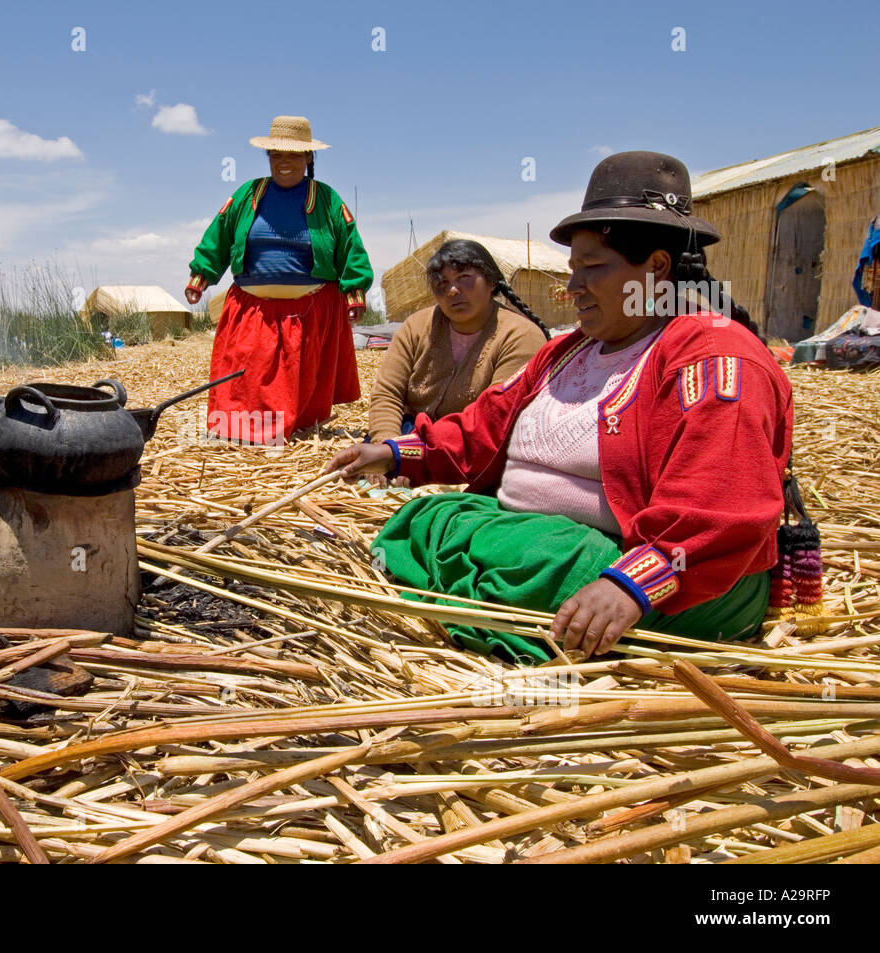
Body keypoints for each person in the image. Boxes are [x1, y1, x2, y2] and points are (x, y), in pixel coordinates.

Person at [325, 151, 796, 662]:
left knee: (546, 561)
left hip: (673, 575)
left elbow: (722, 503)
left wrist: (633, 584)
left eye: (592, 268)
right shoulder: (569, 350)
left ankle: (515, 602)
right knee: (434, 516)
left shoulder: (712, 355)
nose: (571, 288)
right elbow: (484, 424)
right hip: (532, 536)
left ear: (657, 268)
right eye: (573, 269)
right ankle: (500, 596)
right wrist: (395, 454)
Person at [185, 116, 373, 446]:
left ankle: (289, 429)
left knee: (296, 385)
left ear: (309, 158)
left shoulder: (327, 200)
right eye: (276, 155)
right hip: (251, 309)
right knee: (245, 374)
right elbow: (220, 233)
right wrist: (202, 274)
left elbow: (349, 245)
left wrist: (355, 290)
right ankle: (242, 432)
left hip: (310, 311)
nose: (284, 163)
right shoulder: (248, 195)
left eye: (293, 155)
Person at [367, 239, 549, 443]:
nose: (452, 291)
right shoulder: (415, 327)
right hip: (408, 435)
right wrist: (387, 445)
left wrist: (413, 459)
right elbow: (387, 394)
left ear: (491, 281)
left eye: (463, 277)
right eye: (442, 283)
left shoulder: (521, 336)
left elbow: (495, 420)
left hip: (476, 447)